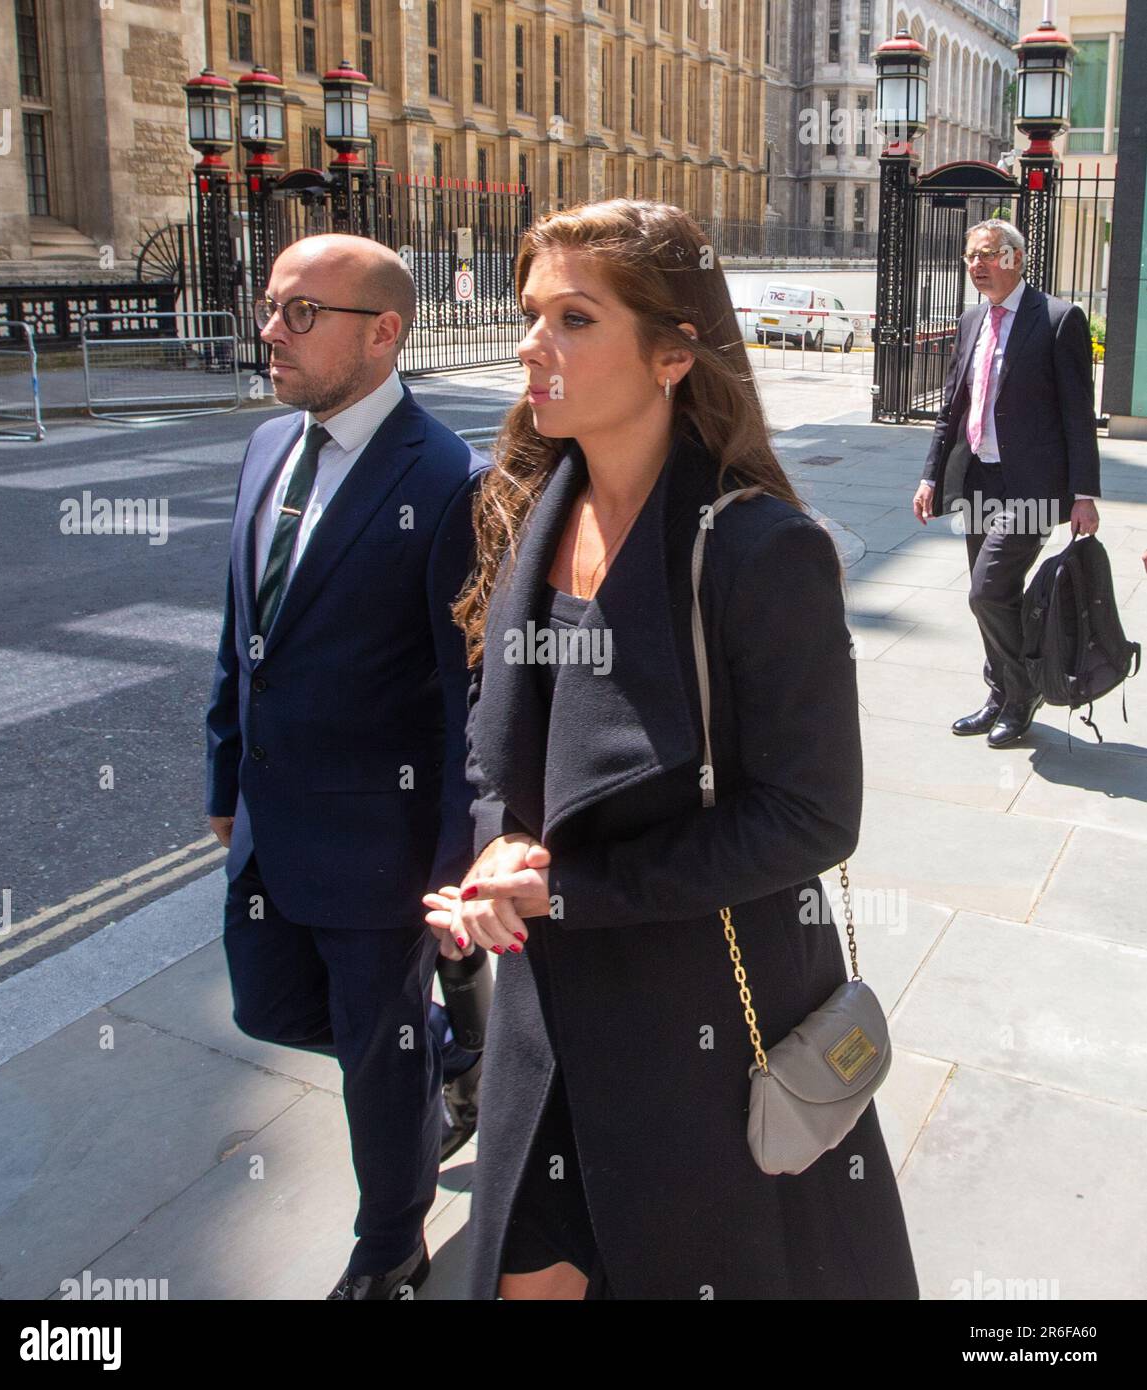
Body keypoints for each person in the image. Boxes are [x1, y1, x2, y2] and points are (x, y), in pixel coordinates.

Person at [422, 199, 920, 1300]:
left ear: (670, 355)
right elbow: (495, 745)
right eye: (530, 314)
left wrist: (574, 888)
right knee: (523, 1270)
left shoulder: (759, 549)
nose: (528, 345)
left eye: (572, 319)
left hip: (698, 1024)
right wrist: (496, 858)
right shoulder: (523, 511)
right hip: (543, 1019)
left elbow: (810, 818)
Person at [204, 233, 487, 1299]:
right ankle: (452, 1055)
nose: (269, 330)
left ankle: (390, 1249)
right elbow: (242, 636)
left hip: (382, 849)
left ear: (383, 332)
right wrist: (225, 778)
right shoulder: (266, 447)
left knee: (376, 1068)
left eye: (298, 312)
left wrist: (458, 861)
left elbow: (469, 693)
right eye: (271, 305)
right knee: (267, 1010)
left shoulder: (449, 479)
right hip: (271, 829)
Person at [913, 218, 1101, 748]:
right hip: (979, 479)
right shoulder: (972, 319)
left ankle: (1021, 695)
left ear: (1016, 258)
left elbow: (1077, 415)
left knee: (986, 592)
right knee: (996, 594)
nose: (976, 264)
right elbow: (952, 408)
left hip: (1034, 488)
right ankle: (1000, 692)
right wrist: (931, 476)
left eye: (988, 254)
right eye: (970, 255)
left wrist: (1084, 493)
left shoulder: (1059, 319)